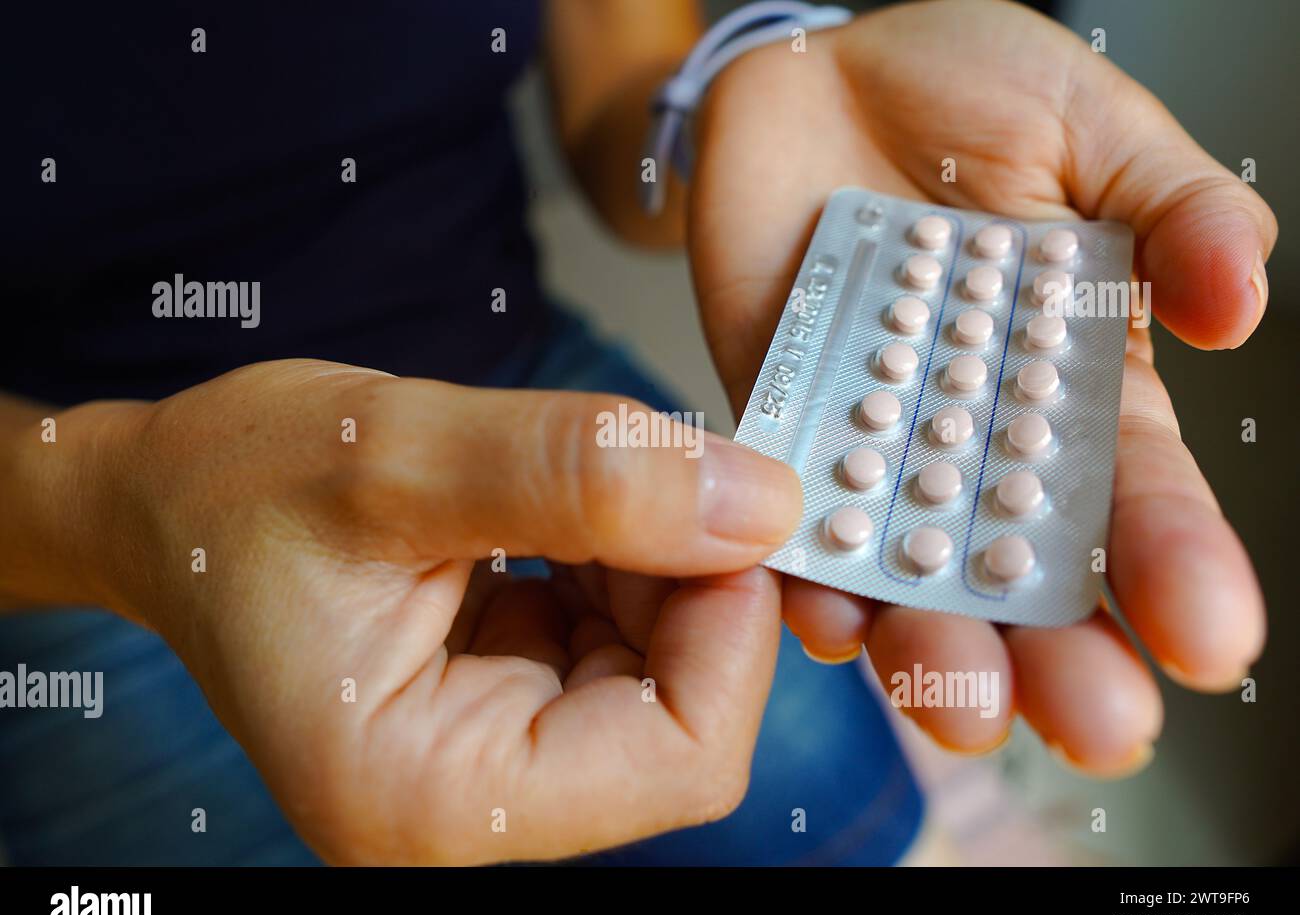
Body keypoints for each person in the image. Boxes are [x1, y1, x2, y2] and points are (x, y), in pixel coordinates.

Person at [0, 0, 1272, 866]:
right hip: (72, 514)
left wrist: (746, 89)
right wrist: (120, 511)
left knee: (820, 807)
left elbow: (622, 112)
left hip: (518, 387)